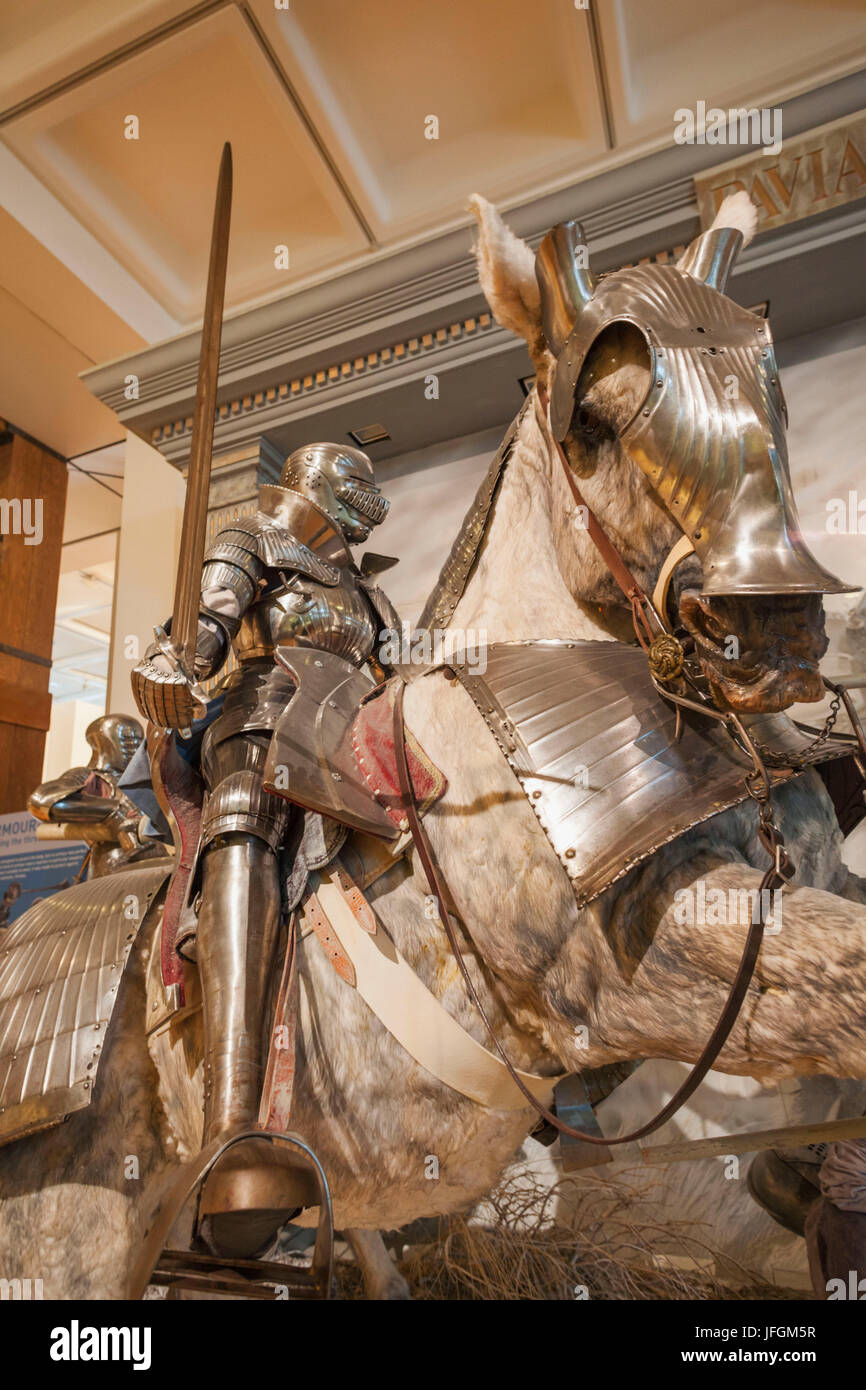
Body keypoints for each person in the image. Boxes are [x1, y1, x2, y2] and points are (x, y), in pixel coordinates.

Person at [131, 442, 397, 1247]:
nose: (370, 502)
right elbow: (201, 639)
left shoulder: (368, 593)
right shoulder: (251, 539)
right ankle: (230, 1126)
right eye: (357, 485)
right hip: (264, 720)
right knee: (244, 811)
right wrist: (172, 666)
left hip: (354, 734)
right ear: (314, 483)